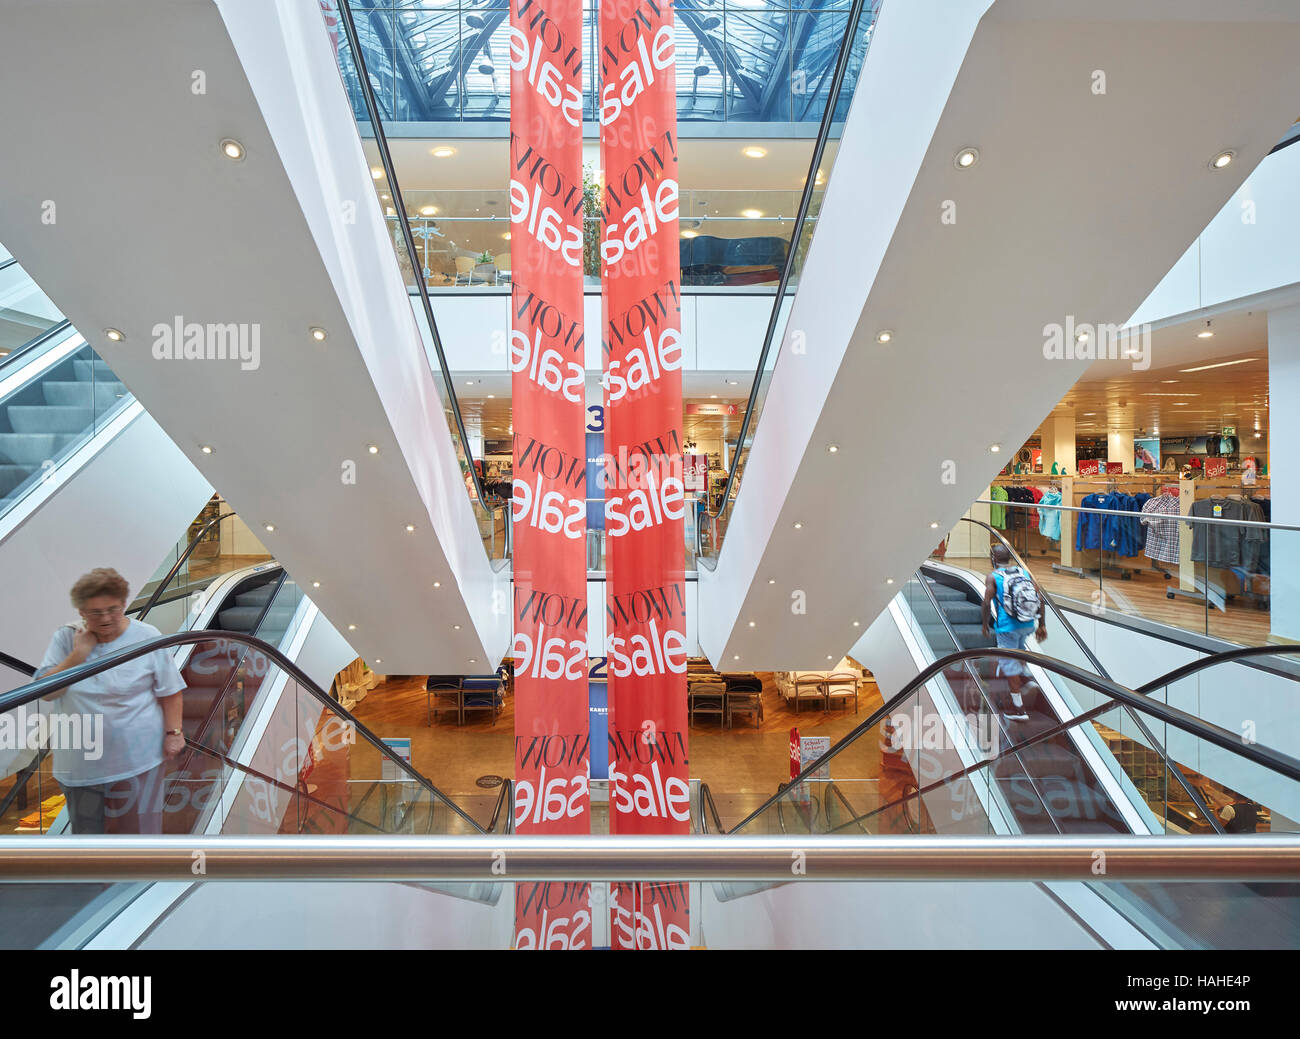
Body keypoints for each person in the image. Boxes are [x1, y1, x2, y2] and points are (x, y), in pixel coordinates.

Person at [36, 568, 187, 834]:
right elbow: (45, 691)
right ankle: (94, 877)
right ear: (81, 612)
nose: (105, 618)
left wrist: (174, 733)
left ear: (124, 605)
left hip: (140, 756)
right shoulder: (65, 638)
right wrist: (77, 656)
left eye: (113, 609)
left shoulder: (147, 635)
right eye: (95, 612)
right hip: (81, 762)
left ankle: (142, 876)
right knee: (87, 837)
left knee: (141, 832)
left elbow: (170, 690)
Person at [981, 545, 1047, 722]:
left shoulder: (993, 577)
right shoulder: (1023, 573)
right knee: (1020, 652)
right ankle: (1025, 678)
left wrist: (985, 625)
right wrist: (1042, 625)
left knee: (1009, 665)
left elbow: (986, 603)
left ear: (993, 558)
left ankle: (1018, 709)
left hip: (1007, 627)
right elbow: (1039, 599)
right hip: (1027, 623)